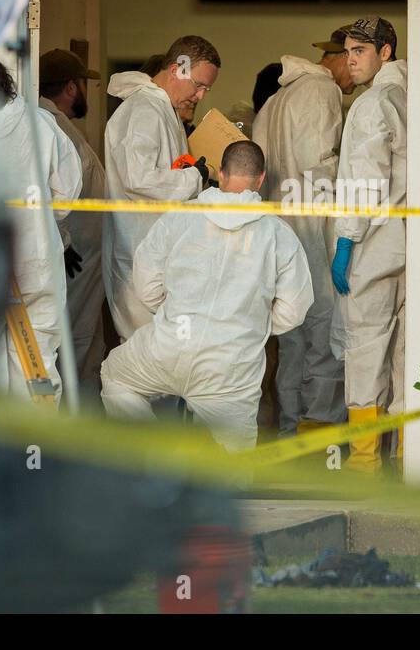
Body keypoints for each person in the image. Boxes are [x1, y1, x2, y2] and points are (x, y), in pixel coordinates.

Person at [100, 141, 314, 452]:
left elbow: (144, 280)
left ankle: (152, 458)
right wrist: (251, 324)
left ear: (222, 174)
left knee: (117, 378)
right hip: (230, 368)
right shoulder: (279, 234)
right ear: (261, 178)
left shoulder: (179, 218)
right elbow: (294, 310)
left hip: (169, 348)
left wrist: (173, 313)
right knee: (235, 463)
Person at [0, 56, 82, 403]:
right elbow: (68, 191)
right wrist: (43, 225)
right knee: (38, 362)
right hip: (38, 261)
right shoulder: (40, 124)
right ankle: (39, 448)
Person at [253, 30, 354, 436]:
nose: (354, 78)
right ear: (339, 58)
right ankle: (321, 440)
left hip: (278, 233)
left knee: (291, 340)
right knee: (326, 336)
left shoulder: (274, 102)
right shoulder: (322, 89)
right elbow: (320, 163)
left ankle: (288, 433)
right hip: (314, 228)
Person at [330, 17, 407, 473]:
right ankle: (404, 456)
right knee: (405, 351)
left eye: (360, 50)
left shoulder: (372, 103)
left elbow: (364, 179)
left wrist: (346, 239)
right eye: (347, 51)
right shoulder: (410, 96)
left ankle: (363, 464)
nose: (350, 59)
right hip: (408, 244)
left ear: (386, 52)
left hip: (373, 244)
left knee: (363, 350)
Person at [102, 35, 218, 340]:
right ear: (177, 69)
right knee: (147, 360)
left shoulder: (164, 112)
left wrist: (192, 173)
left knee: (163, 361)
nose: (201, 96)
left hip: (156, 257)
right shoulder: (144, 110)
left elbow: (162, 172)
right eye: (199, 85)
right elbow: (139, 179)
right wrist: (195, 176)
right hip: (140, 258)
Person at [38, 48, 107, 392]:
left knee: (84, 342)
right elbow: (56, 193)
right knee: (73, 341)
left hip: (80, 255)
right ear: (70, 88)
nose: (84, 92)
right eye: (82, 84)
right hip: (74, 257)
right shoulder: (54, 127)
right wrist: (63, 242)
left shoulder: (55, 124)